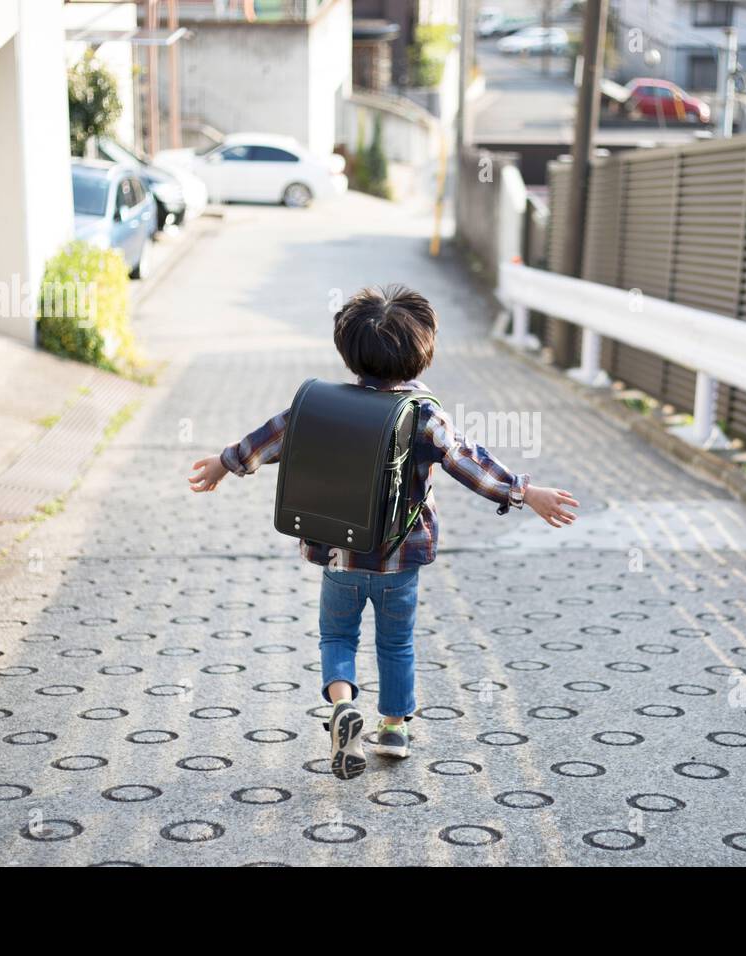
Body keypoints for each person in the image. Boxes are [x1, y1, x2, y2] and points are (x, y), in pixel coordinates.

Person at [187, 285, 579, 779]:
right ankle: (393, 728)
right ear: (421, 355)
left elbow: (270, 437)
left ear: (349, 350)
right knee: (396, 645)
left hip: (338, 558)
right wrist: (524, 492)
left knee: (337, 636)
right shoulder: (424, 414)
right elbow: (468, 462)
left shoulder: (321, 405)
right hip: (398, 560)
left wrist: (224, 464)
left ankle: (342, 704)